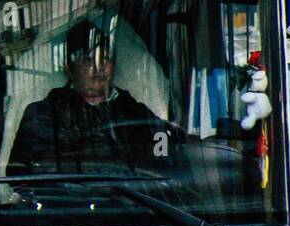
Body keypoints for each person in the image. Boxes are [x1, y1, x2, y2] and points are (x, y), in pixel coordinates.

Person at [10, 19, 174, 175]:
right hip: (74, 202)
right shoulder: (44, 113)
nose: (99, 67)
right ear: (69, 69)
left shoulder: (134, 111)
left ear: (114, 64)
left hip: (135, 200)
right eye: (89, 60)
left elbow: (165, 155)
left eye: (105, 58)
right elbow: (34, 172)